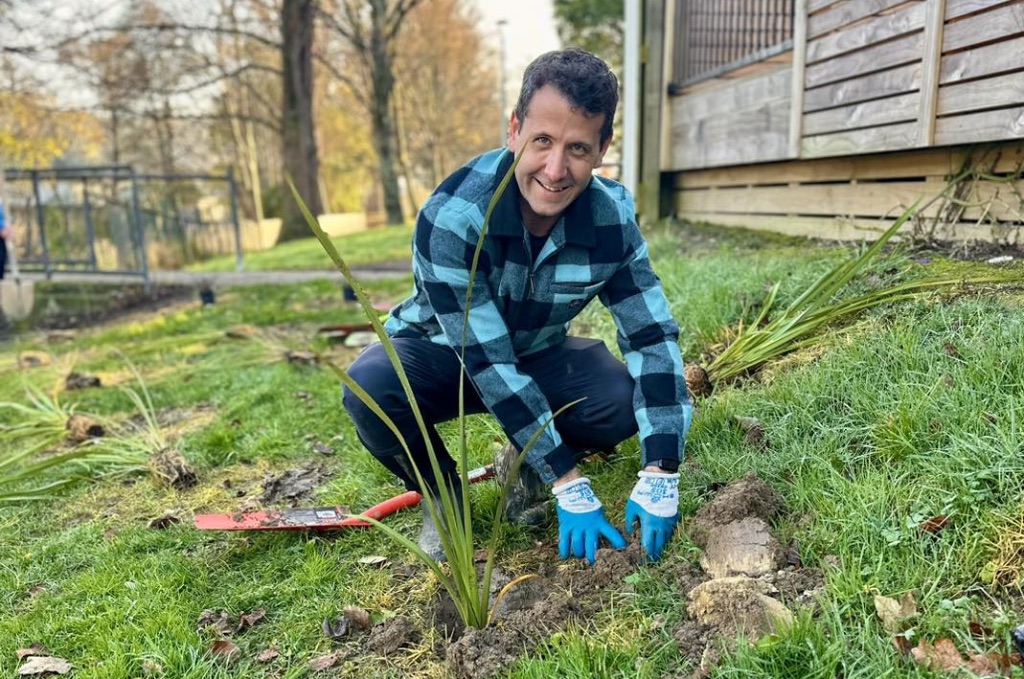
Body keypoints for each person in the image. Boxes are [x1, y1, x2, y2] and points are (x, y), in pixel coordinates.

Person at [343, 48, 693, 565]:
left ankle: (525, 463)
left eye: (577, 148)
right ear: (514, 130)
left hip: (536, 352)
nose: (555, 169)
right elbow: (486, 362)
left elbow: (650, 336)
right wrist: (571, 484)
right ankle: (444, 497)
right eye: (543, 141)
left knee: (620, 401)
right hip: (446, 354)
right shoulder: (454, 216)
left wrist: (662, 471)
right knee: (371, 388)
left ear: (603, 149)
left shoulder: (610, 222)